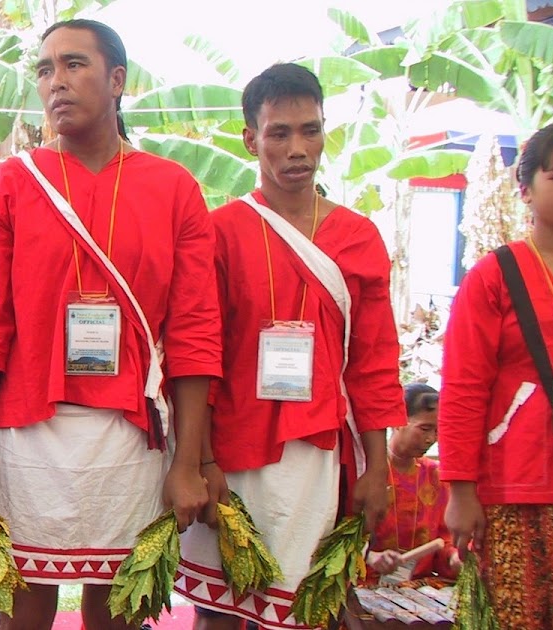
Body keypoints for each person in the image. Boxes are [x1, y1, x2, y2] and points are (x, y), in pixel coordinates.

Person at [0, 19, 222, 630]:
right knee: (27, 599)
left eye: (74, 65)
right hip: (29, 428)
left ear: (117, 80)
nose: (56, 83)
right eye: (45, 70)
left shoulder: (174, 188)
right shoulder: (11, 185)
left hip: (132, 431)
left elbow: (195, 333)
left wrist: (189, 463)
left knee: (118, 604)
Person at [176, 63, 399, 630]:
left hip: (320, 454)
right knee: (220, 613)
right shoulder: (220, 231)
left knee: (308, 612)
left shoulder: (358, 237)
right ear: (251, 138)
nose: (298, 148)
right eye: (280, 133)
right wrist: (199, 460)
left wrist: (378, 469)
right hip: (231, 452)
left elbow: (373, 363)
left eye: (311, 130)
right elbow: (197, 351)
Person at [441, 120, 553, 629]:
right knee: (520, 613)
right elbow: (463, 388)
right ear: (524, 190)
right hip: (516, 482)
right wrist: (460, 490)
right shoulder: (495, 275)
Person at [366, 383, 460, 581]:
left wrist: (454, 558)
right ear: (398, 422)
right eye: (424, 429)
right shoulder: (367, 470)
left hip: (419, 587)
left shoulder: (436, 475)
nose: (431, 439)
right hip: (366, 583)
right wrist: (370, 556)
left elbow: (445, 539)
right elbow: (337, 541)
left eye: (437, 431)